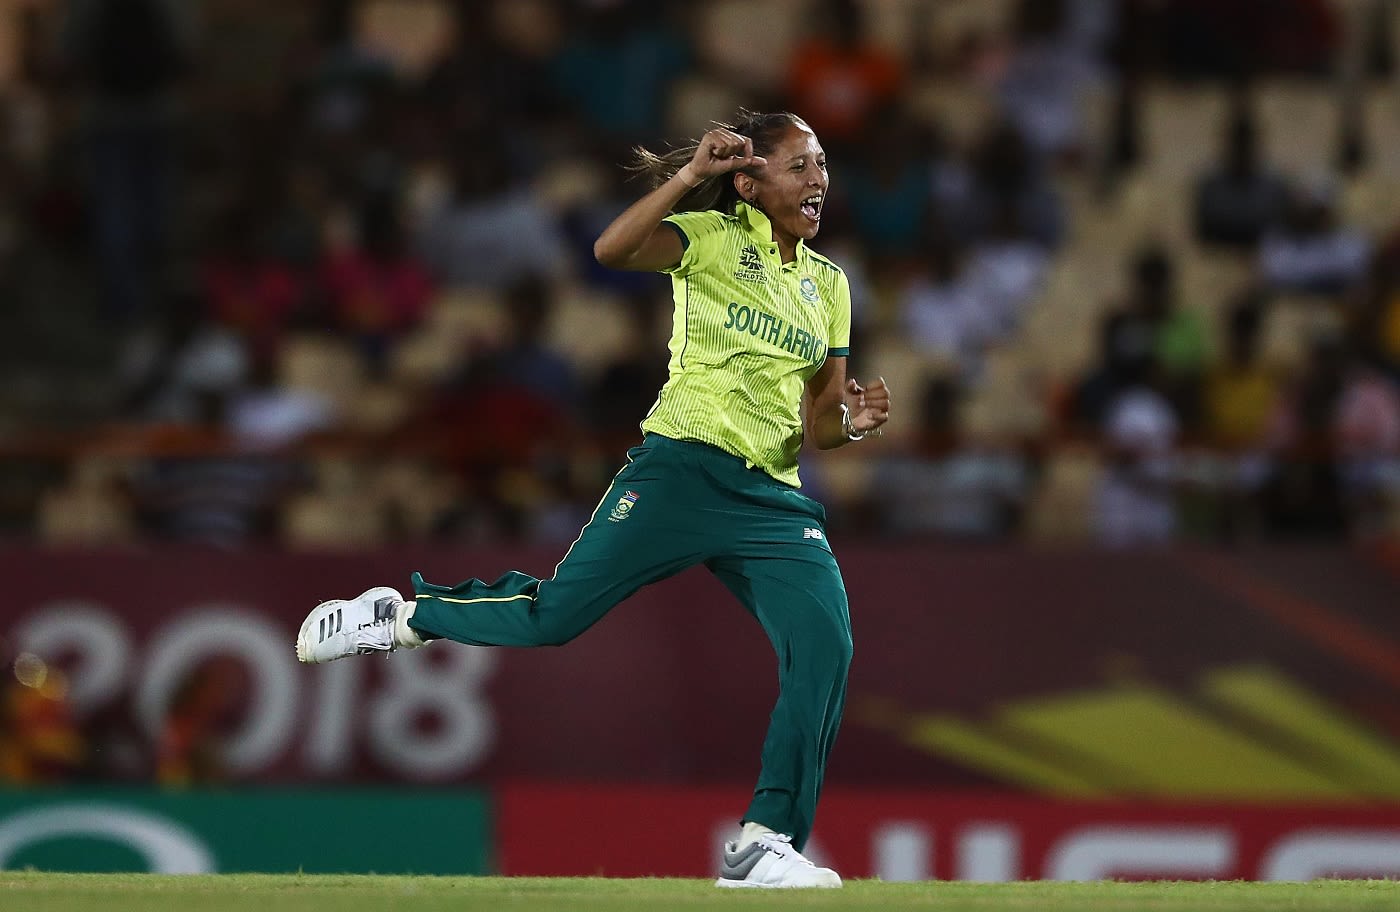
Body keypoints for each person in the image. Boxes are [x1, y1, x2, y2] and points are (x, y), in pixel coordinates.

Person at [295, 110, 891, 889]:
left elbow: (820, 419)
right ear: (749, 181)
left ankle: (764, 841)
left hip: (770, 499)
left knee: (825, 646)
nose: (818, 180)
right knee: (555, 620)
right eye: (800, 165)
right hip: (680, 469)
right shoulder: (713, 238)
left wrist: (849, 421)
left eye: (822, 166)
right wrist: (685, 178)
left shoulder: (830, 286)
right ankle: (405, 616)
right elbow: (610, 250)